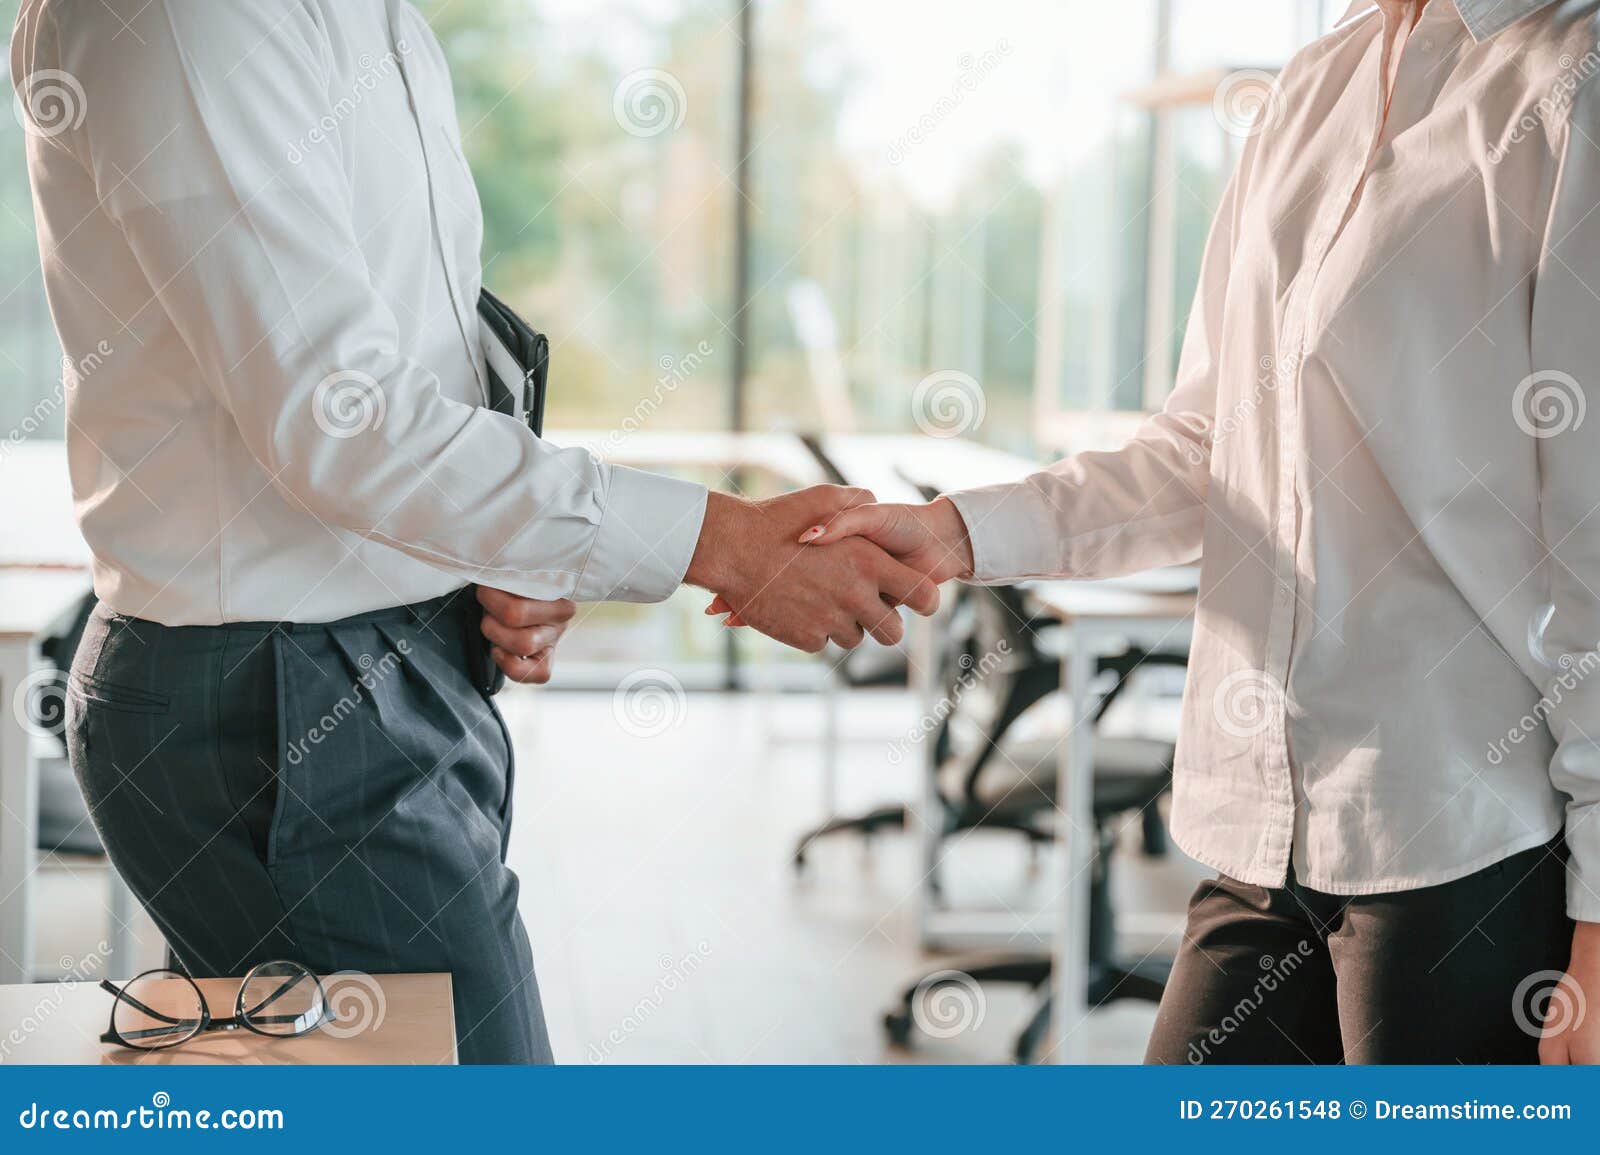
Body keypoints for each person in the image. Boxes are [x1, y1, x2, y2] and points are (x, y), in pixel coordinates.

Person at [10, 0, 936, 1063]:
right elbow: (340, 422)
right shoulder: (198, 15)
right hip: (279, 704)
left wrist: (504, 546)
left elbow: (411, 360)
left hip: (364, 676)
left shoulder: (378, 20)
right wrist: (717, 542)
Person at [800, 0, 1600, 1064]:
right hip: (1255, 820)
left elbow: (1591, 530)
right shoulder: (1311, 84)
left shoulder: (1568, 80)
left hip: (1459, 838)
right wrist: (957, 534)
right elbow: (1202, 446)